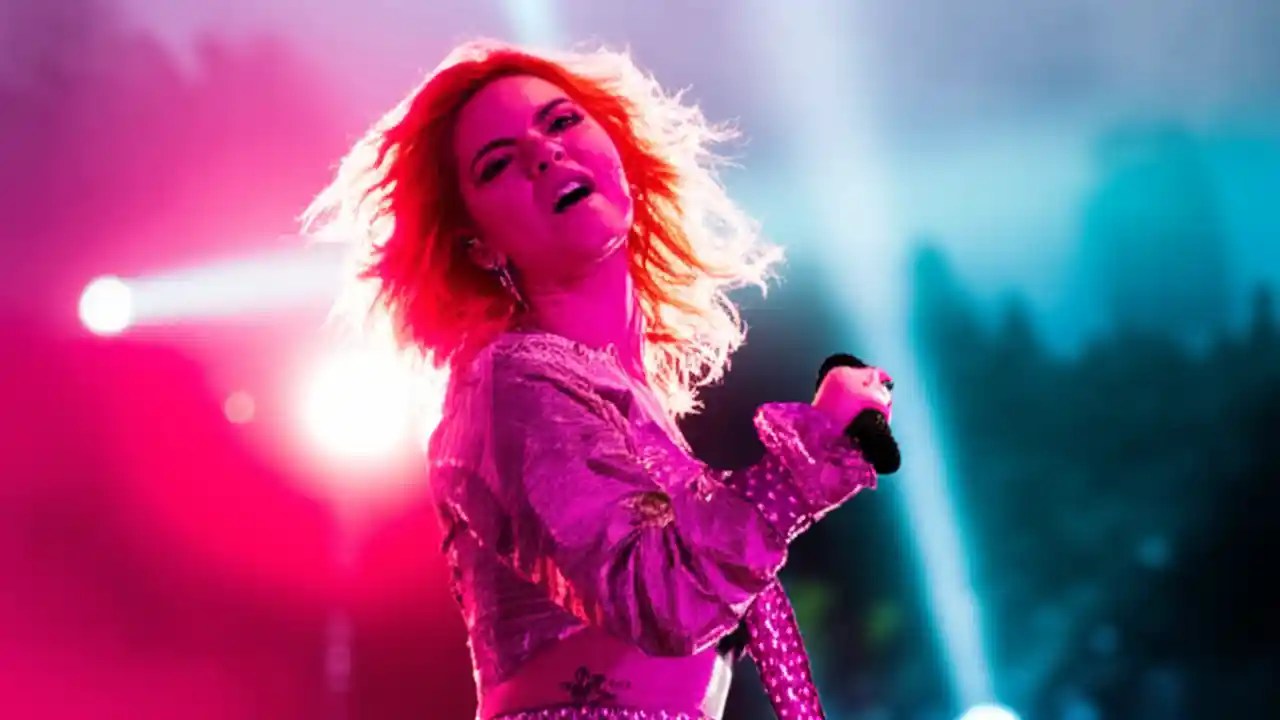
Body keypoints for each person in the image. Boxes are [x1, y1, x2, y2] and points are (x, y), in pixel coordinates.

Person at [304, 39, 894, 720]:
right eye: (498, 164)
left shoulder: (622, 400)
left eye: (560, 123)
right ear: (480, 245)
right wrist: (805, 456)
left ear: (617, 156)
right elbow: (662, 594)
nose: (543, 153)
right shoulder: (511, 386)